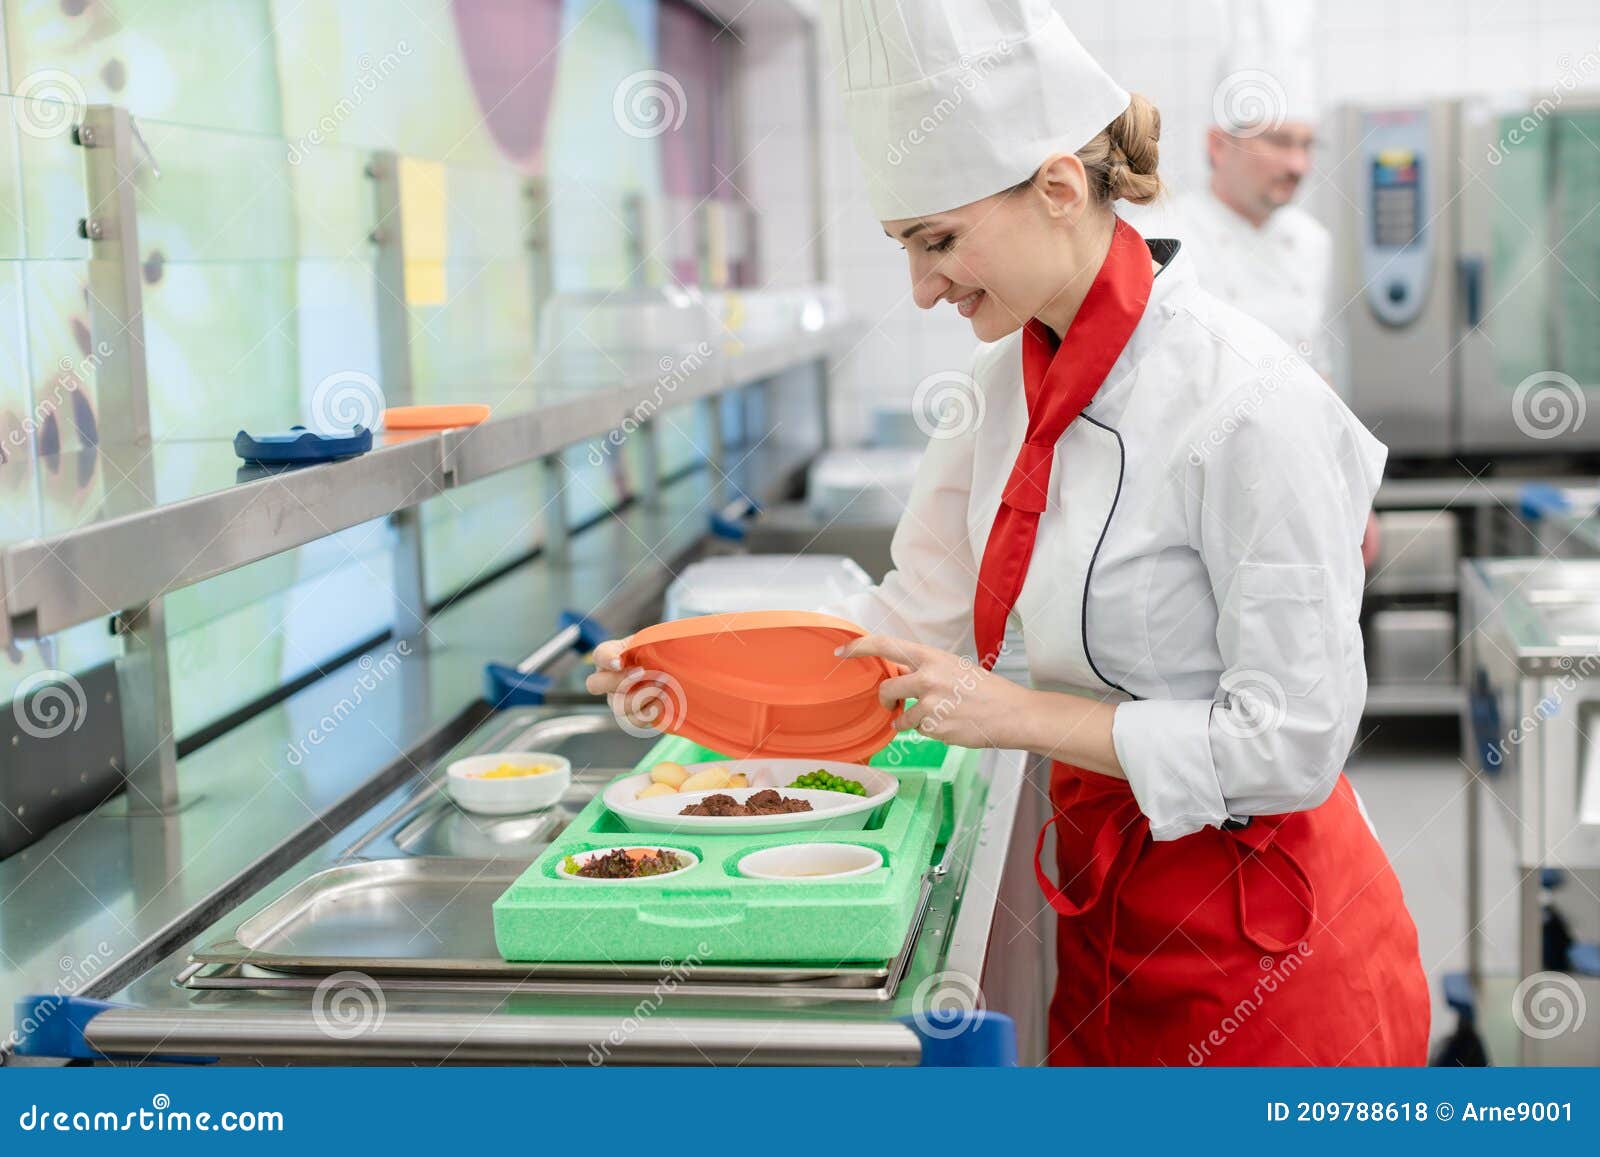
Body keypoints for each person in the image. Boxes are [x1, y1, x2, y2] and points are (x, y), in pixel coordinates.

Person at [591, 0, 1429, 1066]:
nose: (922, 285)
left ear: (1057, 186)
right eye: (904, 246)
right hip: (1108, 915)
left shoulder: (1247, 400)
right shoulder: (995, 397)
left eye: (937, 241)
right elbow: (891, 639)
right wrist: (685, 677)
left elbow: (1294, 739)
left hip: (1267, 943)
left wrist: (1016, 713)